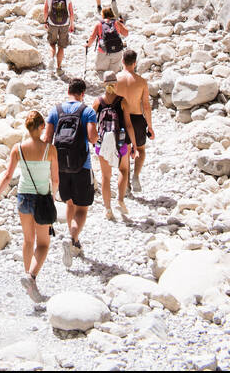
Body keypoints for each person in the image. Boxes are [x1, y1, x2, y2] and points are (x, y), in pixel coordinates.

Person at [0, 110, 59, 304]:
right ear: (40, 127)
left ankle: (29, 282)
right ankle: (31, 277)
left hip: (23, 197)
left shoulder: (18, 148)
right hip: (42, 198)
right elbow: (55, 179)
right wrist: (53, 197)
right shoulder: (50, 149)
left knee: (28, 240)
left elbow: (7, 175)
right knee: (43, 244)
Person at [45, 78, 98, 266]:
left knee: (69, 203)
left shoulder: (55, 110)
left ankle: (71, 238)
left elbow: (47, 138)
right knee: (82, 207)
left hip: (61, 166)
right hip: (82, 165)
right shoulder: (88, 111)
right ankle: (72, 238)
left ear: (68, 90)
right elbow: (92, 138)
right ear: (83, 93)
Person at [114, 50, 154, 193]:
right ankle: (136, 175)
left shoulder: (115, 79)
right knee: (141, 149)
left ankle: (125, 184)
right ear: (135, 63)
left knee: (124, 150)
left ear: (122, 61)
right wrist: (150, 126)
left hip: (120, 119)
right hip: (137, 118)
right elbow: (146, 106)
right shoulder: (141, 82)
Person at [92, 82, 132, 218]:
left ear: (103, 84)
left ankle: (107, 209)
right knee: (123, 170)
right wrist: (134, 145)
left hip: (102, 142)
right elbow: (128, 124)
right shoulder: (122, 101)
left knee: (105, 177)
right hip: (120, 142)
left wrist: (92, 142)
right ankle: (120, 200)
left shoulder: (97, 102)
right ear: (115, 84)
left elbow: (92, 124)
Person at [86, 7, 129, 80]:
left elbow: (92, 38)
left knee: (101, 72)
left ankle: (105, 88)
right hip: (117, 51)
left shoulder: (99, 24)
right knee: (114, 73)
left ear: (102, 15)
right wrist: (122, 23)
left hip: (103, 52)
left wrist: (87, 45)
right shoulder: (116, 23)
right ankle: (112, 88)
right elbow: (126, 33)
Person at [43, 0, 74, 73]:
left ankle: (51, 58)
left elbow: (45, 11)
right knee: (61, 46)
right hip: (64, 24)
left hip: (52, 23)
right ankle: (59, 68)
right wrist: (72, 25)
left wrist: (45, 22)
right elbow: (71, 13)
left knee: (52, 44)